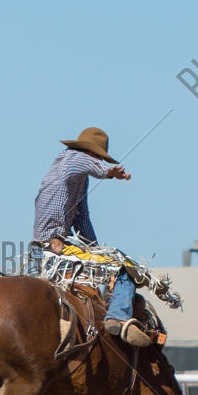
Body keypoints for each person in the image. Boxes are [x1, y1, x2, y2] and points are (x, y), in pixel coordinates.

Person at [32, 128, 155, 346]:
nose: (99, 160)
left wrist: (96, 250)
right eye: (98, 156)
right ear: (91, 152)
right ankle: (117, 317)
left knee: (101, 271)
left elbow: (82, 219)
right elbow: (92, 166)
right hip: (55, 246)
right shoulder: (72, 158)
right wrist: (110, 172)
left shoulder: (76, 177)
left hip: (47, 247)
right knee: (123, 270)